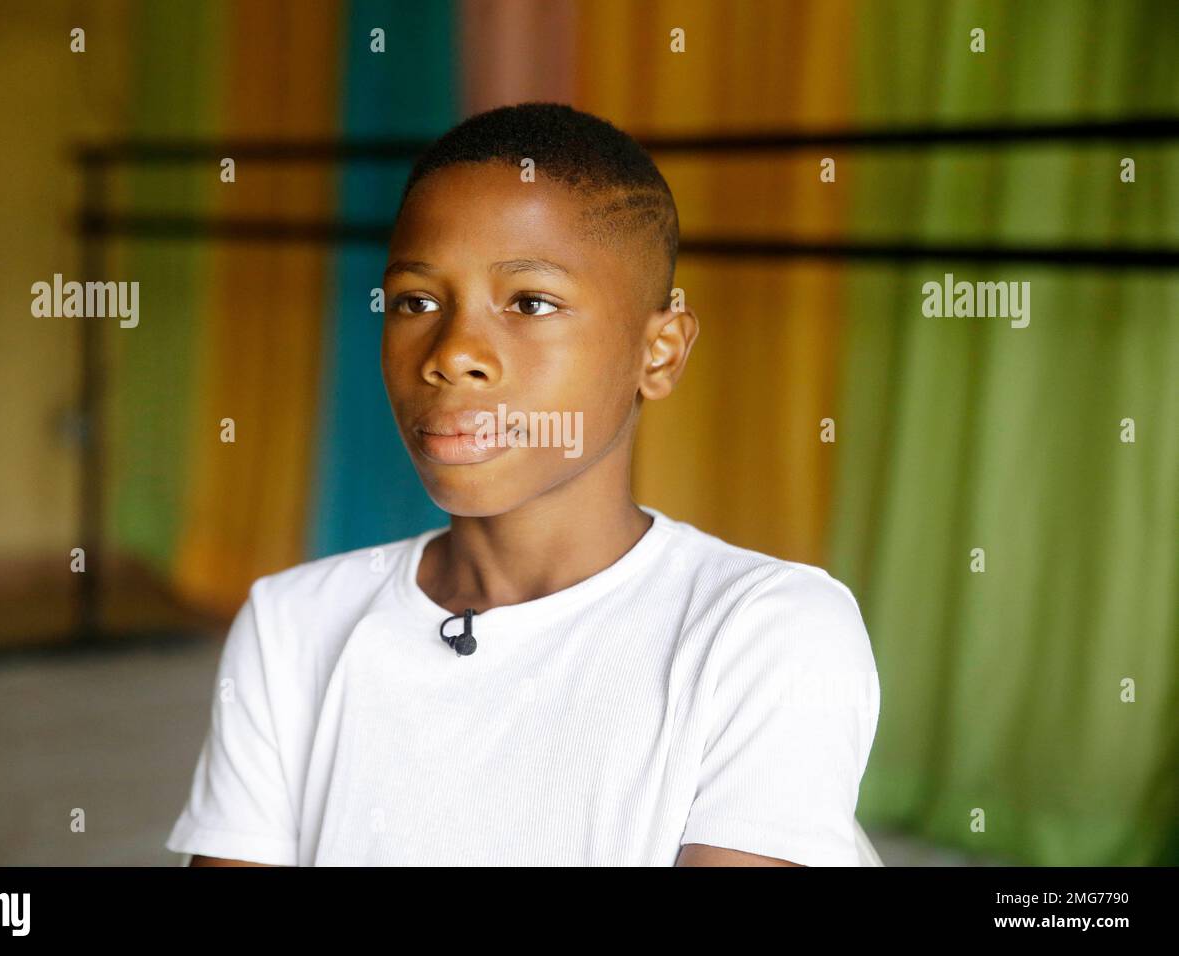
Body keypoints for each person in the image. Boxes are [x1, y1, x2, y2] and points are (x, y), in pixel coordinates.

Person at [166, 102, 880, 867]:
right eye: (417, 302)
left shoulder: (766, 631)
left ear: (661, 352)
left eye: (531, 302)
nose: (453, 353)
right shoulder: (293, 624)